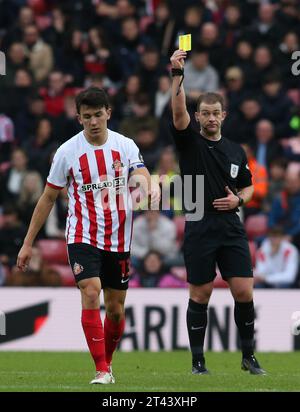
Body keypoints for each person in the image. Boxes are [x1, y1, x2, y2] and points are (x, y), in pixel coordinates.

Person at [17, 87, 159, 385]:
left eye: (98, 115)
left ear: (108, 112)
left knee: (117, 310)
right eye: (87, 116)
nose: (93, 121)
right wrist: (28, 243)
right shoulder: (67, 152)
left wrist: (149, 186)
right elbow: (47, 198)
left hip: (120, 238)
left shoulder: (125, 145)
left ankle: (107, 364)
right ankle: (102, 370)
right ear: (78, 118)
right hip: (82, 234)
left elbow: (141, 172)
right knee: (91, 291)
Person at [170, 49, 266, 375]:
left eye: (216, 113)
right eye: (205, 113)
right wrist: (177, 75)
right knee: (201, 292)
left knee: (243, 290)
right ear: (197, 117)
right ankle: (198, 363)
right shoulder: (189, 143)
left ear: (224, 116)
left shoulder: (236, 150)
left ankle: (248, 357)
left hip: (230, 225)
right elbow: (177, 110)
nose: (210, 118)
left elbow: (250, 187)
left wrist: (239, 201)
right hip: (198, 222)